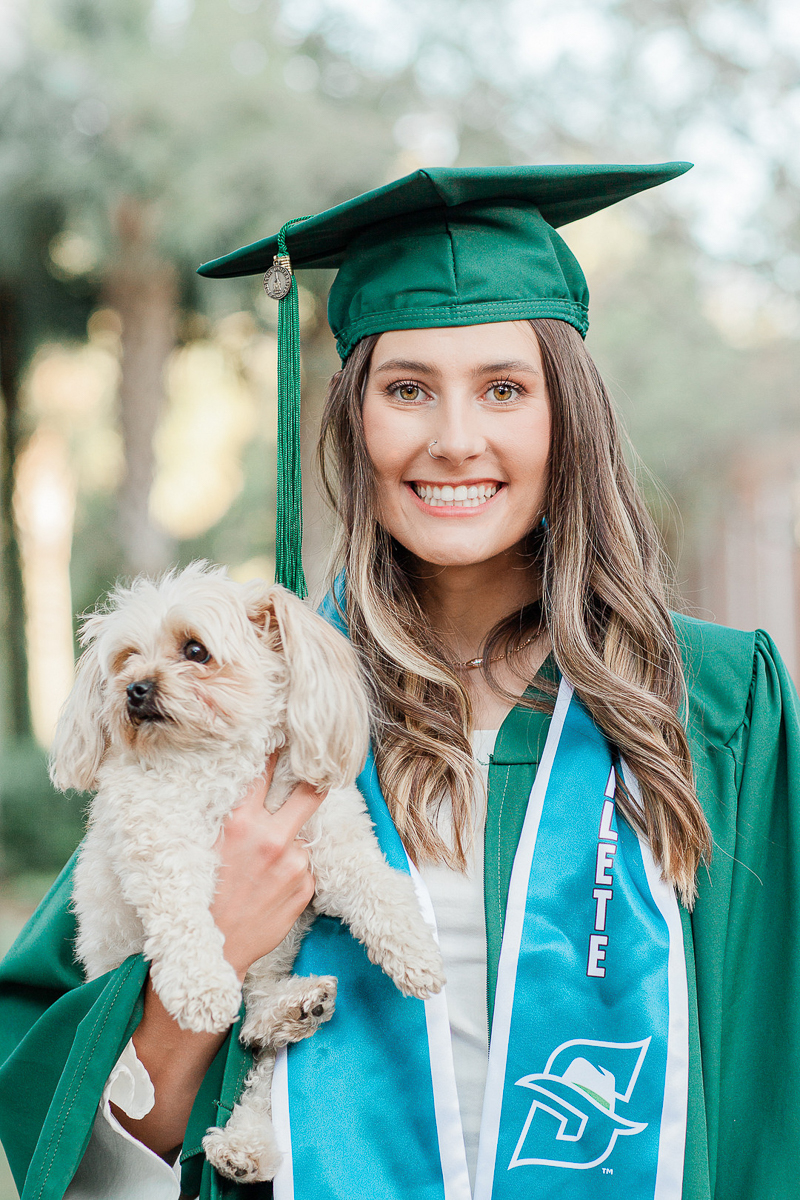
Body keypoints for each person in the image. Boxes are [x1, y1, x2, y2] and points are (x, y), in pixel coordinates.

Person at [2, 164, 800, 1200]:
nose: (454, 438)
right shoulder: (253, 709)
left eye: (503, 389)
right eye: (406, 388)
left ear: (567, 418)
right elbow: (86, 1152)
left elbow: (769, 1080)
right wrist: (204, 965)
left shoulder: (711, 703)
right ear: (353, 419)